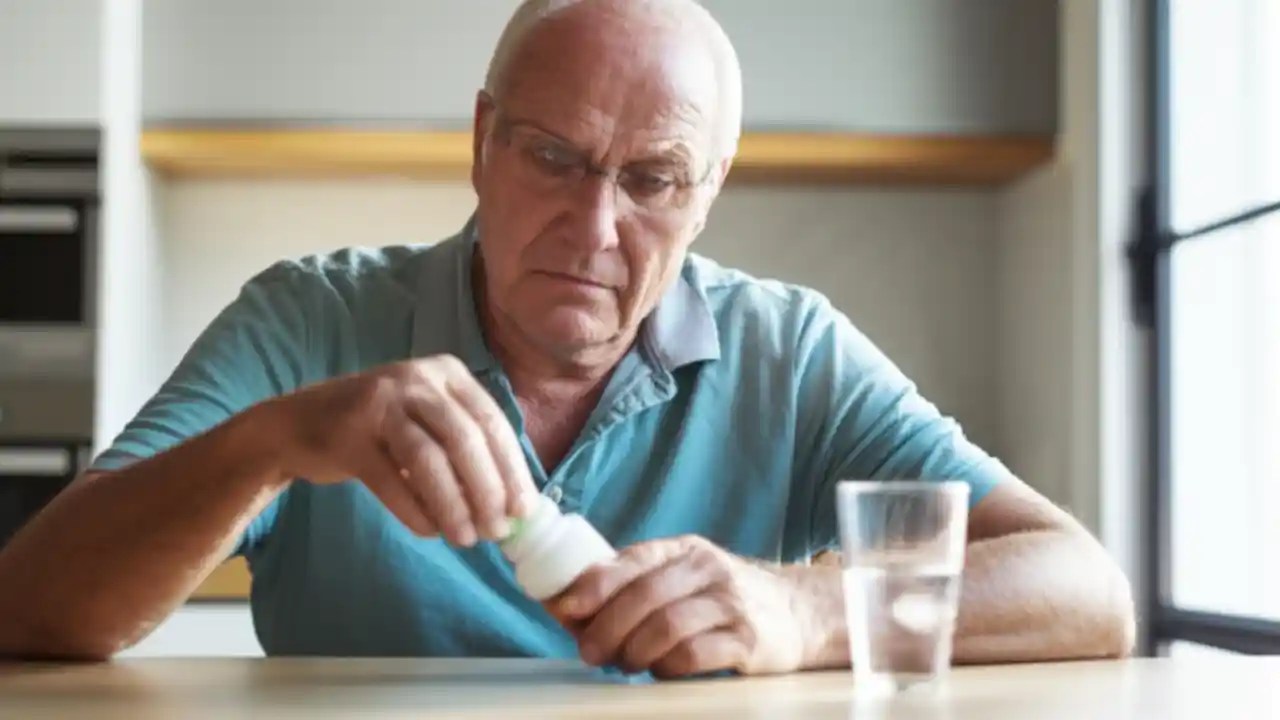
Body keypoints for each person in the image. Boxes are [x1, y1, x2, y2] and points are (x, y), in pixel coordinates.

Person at [0, 0, 1134, 676]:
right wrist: (269, 445)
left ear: (707, 194)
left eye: (650, 180)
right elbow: (30, 607)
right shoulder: (311, 323)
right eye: (552, 156)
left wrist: (803, 609)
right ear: (483, 138)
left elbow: (1085, 590)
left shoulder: (790, 354)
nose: (593, 229)